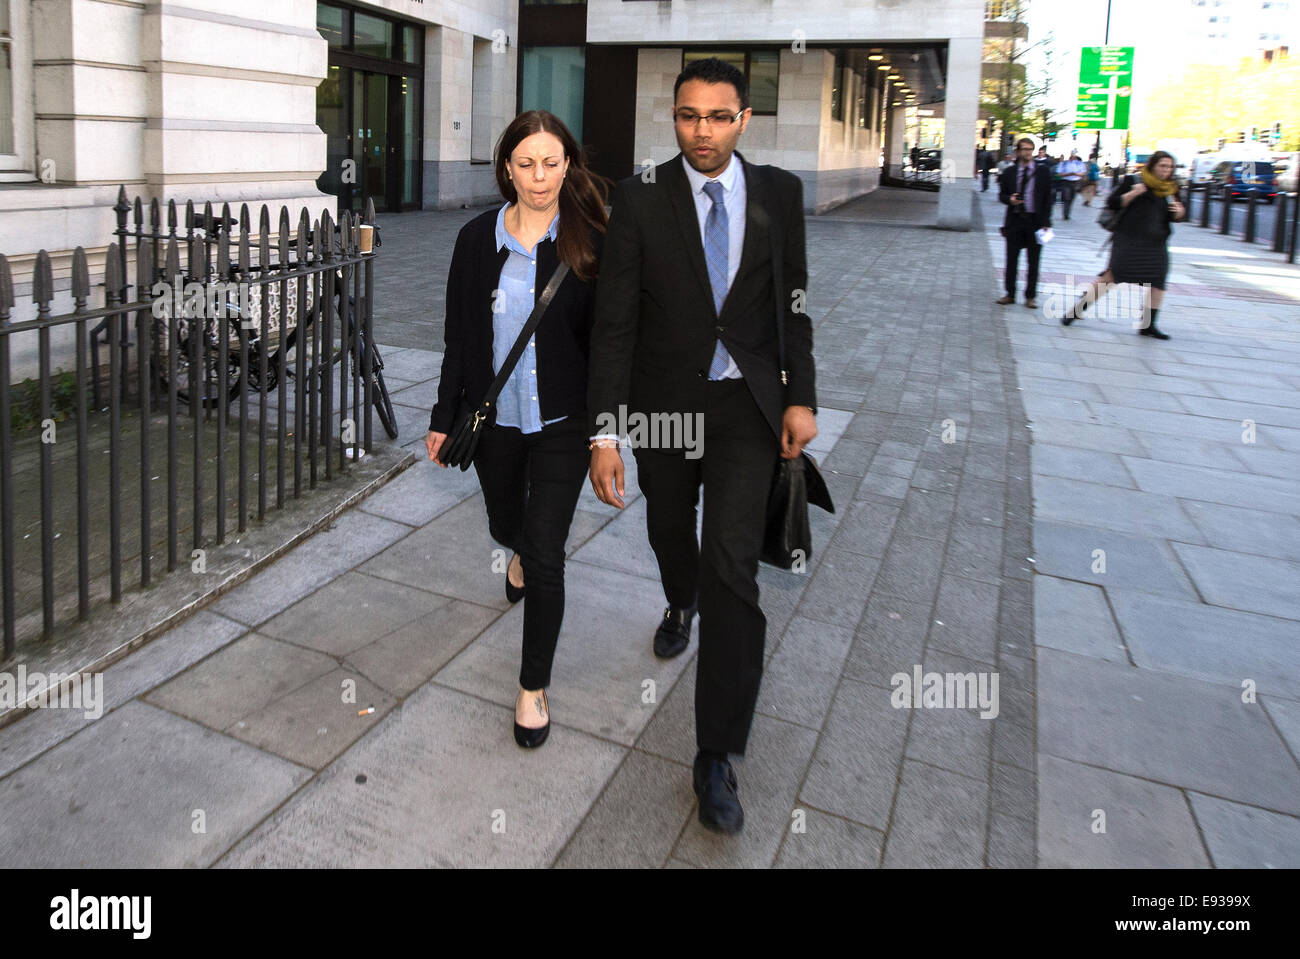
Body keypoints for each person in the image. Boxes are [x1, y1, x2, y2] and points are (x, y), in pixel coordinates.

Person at [586, 56, 817, 835]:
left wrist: (801, 396)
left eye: (719, 117)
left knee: (733, 569)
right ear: (673, 115)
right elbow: (614, 323)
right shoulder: (639, 198)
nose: (703, 131)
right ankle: (676, 594)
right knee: (666, 528)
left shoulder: (780, 194)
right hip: (663, 407)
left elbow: (796, 307)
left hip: (746, 407)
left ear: (744, 118)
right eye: (689, 116)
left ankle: (715, 752)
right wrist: (606, 431)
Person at [425, 110, 609, 748]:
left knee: (549, 550)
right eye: (526, 164)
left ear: (569, 164)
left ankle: (533, 689)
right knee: (508, 526)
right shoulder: (475, 239)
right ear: (506, 166)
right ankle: (519, 554)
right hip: (494, 419)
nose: (539, 177)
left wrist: (604, 431)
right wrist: (443, 416)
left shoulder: (590, 239)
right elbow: (459, 335)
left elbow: (609, 344)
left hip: (563, 420)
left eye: (551, 163)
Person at [1062, 150, 1185, 339]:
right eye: (1162, 166)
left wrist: (1179, 212)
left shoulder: (1171, 187)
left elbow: (1175, 216)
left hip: (1157, 242)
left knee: (1158, 282)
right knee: (1112, 277)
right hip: (1129, 239)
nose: (1166, 170)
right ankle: (1076, 310)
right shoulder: (1134, 181)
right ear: (1152, 166)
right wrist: (1132, 194)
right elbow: (1112, 202)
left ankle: (1148, 325)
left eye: (1170, 167)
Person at [997, 137, 1053, 309]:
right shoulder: (1009, 172)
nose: (1027, 152)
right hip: (1015, 220)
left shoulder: (1043, 172)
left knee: (1034, 261)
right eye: (1024, 149)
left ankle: (1030, 296)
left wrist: (1046, 222)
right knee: (1011, 259)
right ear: (1018, 151)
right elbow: (1001, 195)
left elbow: (1048, 198)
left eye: (1030, 149)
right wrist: (1010, 199)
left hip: (1035, 221)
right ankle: (1010, 293)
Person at [1056, 152, 1087, 219]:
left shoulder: (1080, 164)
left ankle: (1068, 212)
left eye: (1074, 156)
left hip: (1075, 182)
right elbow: (1059, 174)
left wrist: (1076, 174)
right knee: (1066, 198)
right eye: (1071, 156)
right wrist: (1067, 174)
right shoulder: (1063, 163)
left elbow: (1083, 173)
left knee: (1072, 198)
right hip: (1066, 182)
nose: (1072, 157)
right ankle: (1065, 214)